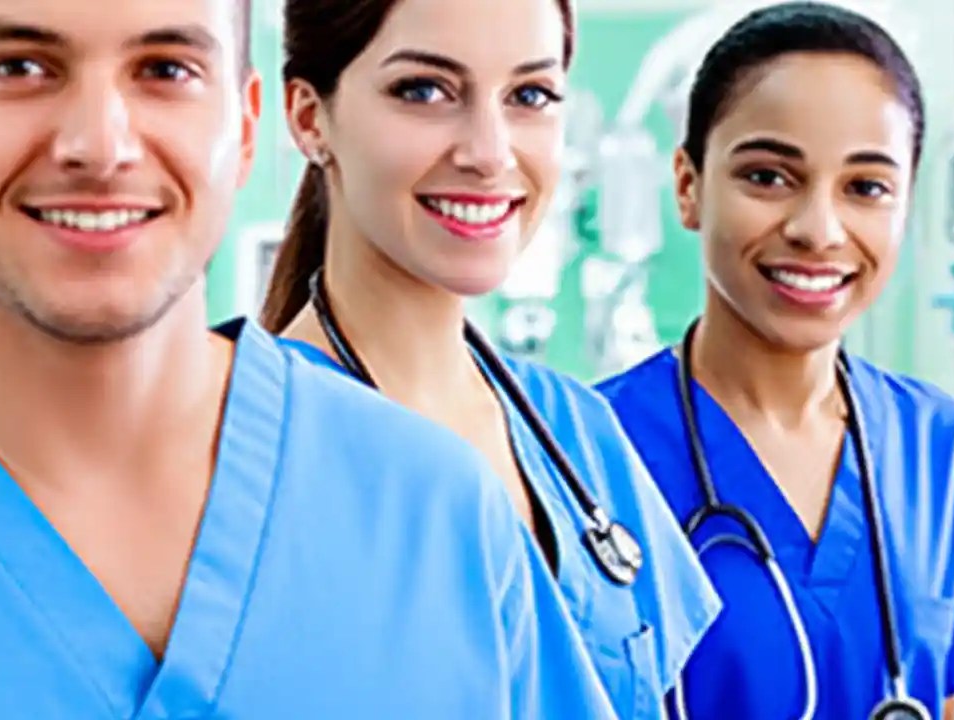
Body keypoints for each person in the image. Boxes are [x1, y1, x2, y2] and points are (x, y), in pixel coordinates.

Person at [0, 1, 620, 717]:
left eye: (165, 69)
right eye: (19, 67)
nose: (101, 145)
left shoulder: (438, 516)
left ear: (245, 127)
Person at [260, 0, 721, 717]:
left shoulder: (576, 432)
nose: (491, 152)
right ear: (309, 117)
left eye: (529, 96)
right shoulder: (253, 449)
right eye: (424, 90)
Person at [595, 3, 954, 719]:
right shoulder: (588, 452)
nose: (818, 230)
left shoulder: (944, 452)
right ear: (688, 186)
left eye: (866, 188)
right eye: (768, 176)